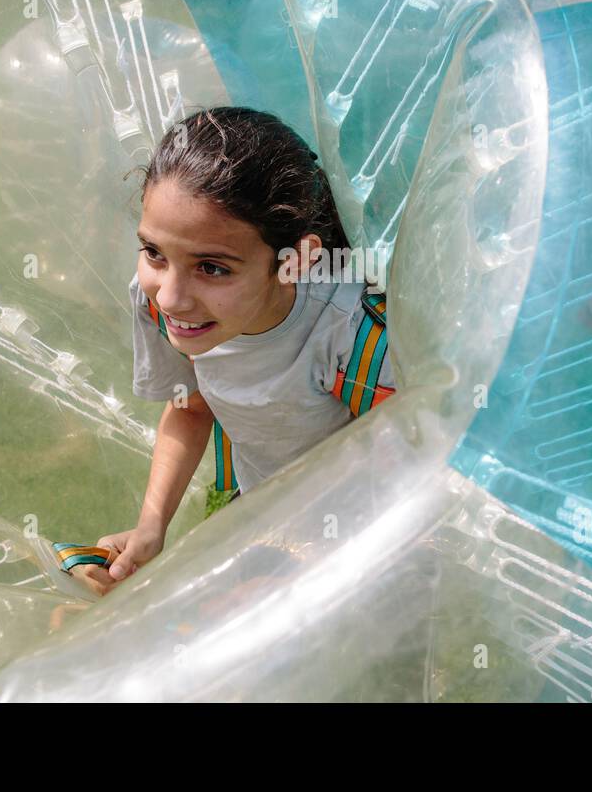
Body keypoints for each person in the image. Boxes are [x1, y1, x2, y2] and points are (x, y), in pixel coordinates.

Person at [67, 107, 396, 595]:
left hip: (363, 525)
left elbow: (400, 467)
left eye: (213, 268)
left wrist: (294, 567)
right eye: (154, 252)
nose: (173, 295)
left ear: (294, 261)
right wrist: (151, 528)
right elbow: (191, 406)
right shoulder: (164, 306)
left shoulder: (348, 335)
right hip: (259, 502)